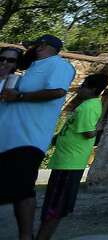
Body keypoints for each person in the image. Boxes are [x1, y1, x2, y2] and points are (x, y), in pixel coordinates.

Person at [0, 35, 75, 240]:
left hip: (28, 142)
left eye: (31, 46)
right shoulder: (32, 70)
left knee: (23, 190)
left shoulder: (59, 65)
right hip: (8, 142)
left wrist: (21, 96)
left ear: (42, 46)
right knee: (17, 192)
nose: (28, 51)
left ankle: (26, 236)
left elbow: (58, 91)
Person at [36, 73, 108, 240]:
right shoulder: (88, 105)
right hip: (66, 161)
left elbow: (88, 133)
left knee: (55, 207)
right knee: (54, 205)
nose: (80, 89)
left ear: (92, 89)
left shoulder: (88, 107)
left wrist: (97, 128)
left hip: (70, 162)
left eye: (83, 86)